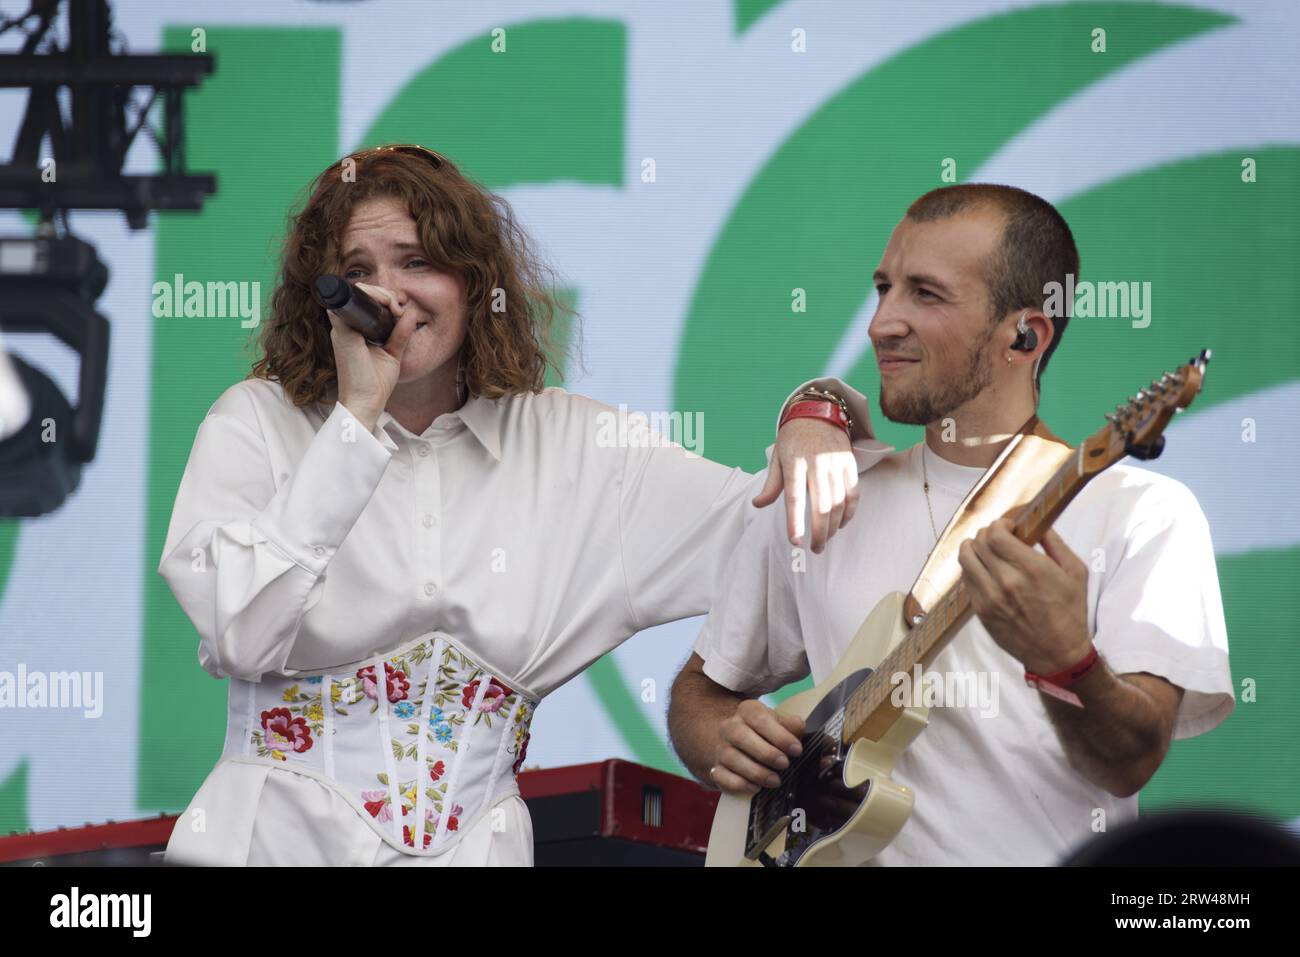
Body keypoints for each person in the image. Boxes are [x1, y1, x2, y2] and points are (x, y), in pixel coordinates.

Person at [158, 144, 873, 866]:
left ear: (474, 282)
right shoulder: (254, 422)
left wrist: (817, 410)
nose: (388, 294)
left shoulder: (572, 447)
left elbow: (775, 537)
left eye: (416, 261)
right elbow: (240, 630)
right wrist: (356, 419)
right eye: (358, 273)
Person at [668, 183, 1235, 866]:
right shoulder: (828, 492)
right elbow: (702, 690)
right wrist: (723, 736)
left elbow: (1129, 761)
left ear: (1025, 333)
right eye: (884, 288)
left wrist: (1069, 662)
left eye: (925, 294)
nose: (881, 322)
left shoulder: (1144, 511)